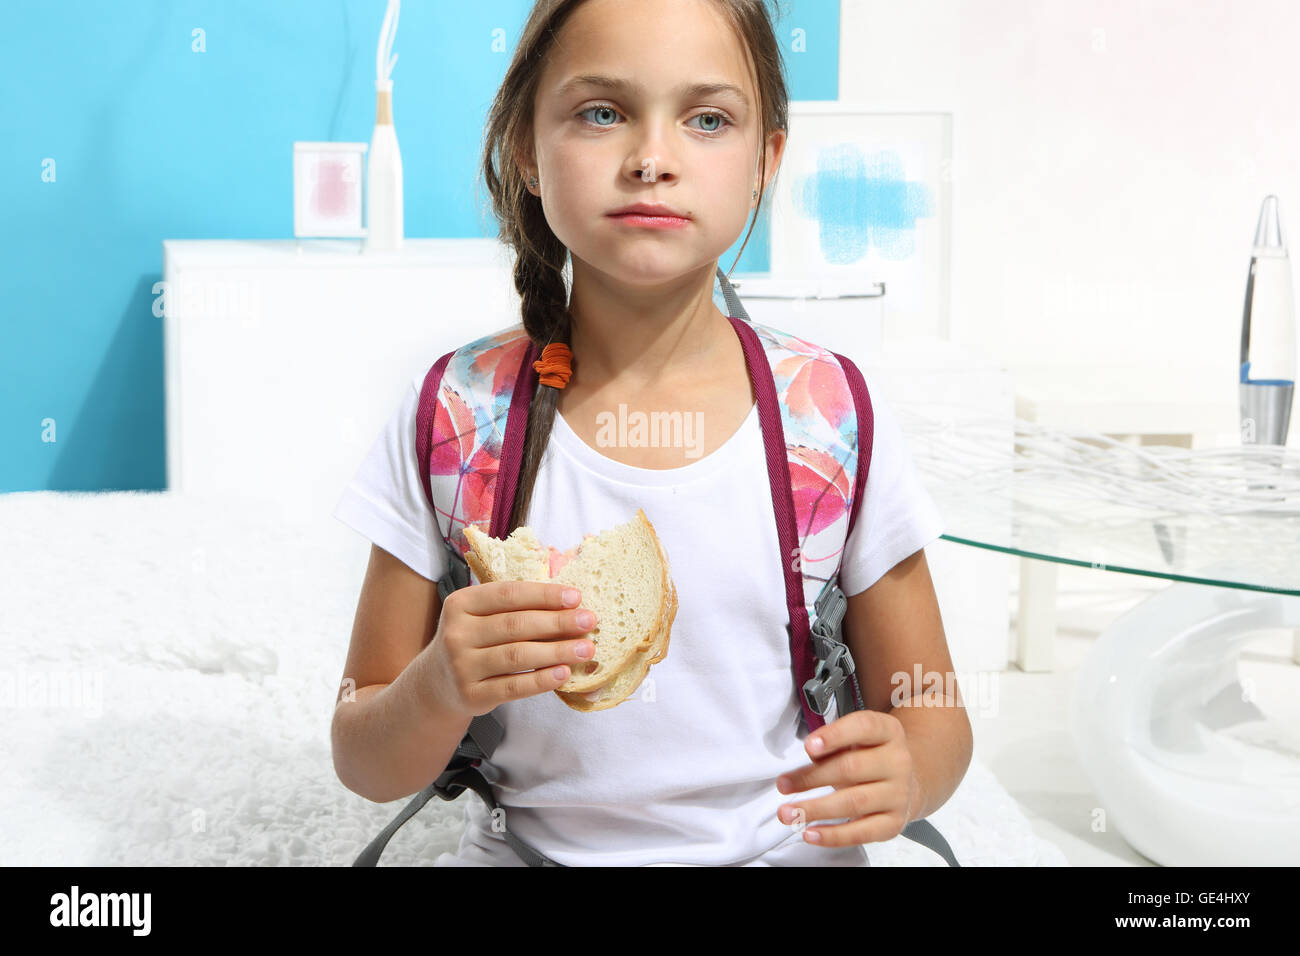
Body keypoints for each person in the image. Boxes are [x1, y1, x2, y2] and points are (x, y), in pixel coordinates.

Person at [331, 0, 972, 867]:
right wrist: (438, 683)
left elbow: (931, 712)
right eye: (602, 112)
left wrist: (912, 774)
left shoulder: (829, 414)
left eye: (707, 120)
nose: (651, 159)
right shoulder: (455, 414)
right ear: (525, 149)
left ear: (765, 163)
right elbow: (363, 753)